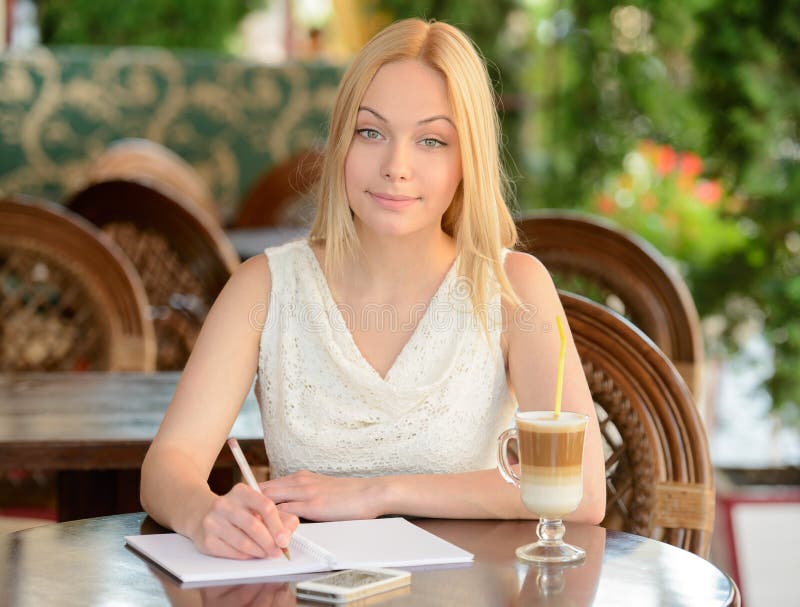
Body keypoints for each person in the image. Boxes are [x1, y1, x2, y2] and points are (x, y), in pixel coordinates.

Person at [141, 17, 606, 561]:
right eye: (371, 132)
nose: (395, 167)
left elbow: (581, 491)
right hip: (306, 587)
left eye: (431, 140)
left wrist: (378, 492)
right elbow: (167, 465)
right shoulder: (264, 287)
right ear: (341, 142)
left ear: (467, 160)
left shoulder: (513, 288)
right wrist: (205, 514)